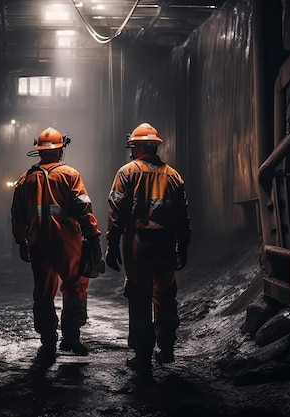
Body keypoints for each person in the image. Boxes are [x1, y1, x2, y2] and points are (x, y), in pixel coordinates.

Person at [104, 122, 192, 373]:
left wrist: (111, 244)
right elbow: (183, 216)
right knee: (165, 295)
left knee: (139, 297)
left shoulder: (126, 173)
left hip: (138, 243)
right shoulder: (173, 175)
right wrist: (183, 246)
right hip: (165, 243)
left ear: (137, 147)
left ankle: (142, 354)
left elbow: (117, 212)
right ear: (155, 146)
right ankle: (166, 348)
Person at [11, 126, 102, 364]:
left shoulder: (25, 179)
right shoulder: (71, 175)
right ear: (61, 149)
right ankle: (71, 337)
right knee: (75, 286)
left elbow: (17, 215)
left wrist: (21, 241)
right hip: (67, 242)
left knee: (43, 291)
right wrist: (93, 237)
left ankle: (48, 343)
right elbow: (84, 209)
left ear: (38, 150)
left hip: (39, 243)